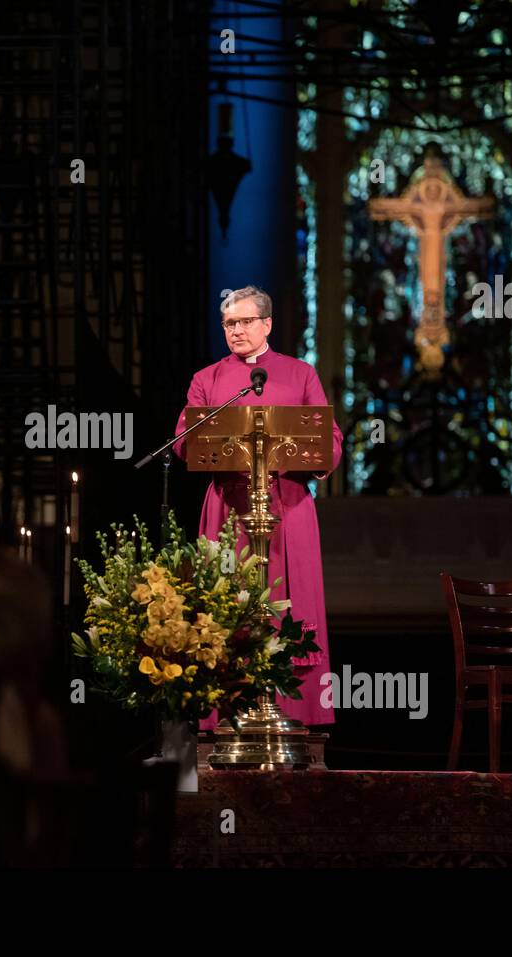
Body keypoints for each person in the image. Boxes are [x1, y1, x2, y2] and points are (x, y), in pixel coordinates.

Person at [173, 285, 342, 728]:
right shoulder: (207, 379)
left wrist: (316, 456)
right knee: (227, 601)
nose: (236, 330)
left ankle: (295, 714)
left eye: (246, 321)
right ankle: (226, 715)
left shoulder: (300, 374)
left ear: (267, 324)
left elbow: (330, 440)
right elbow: (184, 440)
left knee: (291, 603)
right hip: (228, 508)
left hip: (288, 506)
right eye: (229, 323)